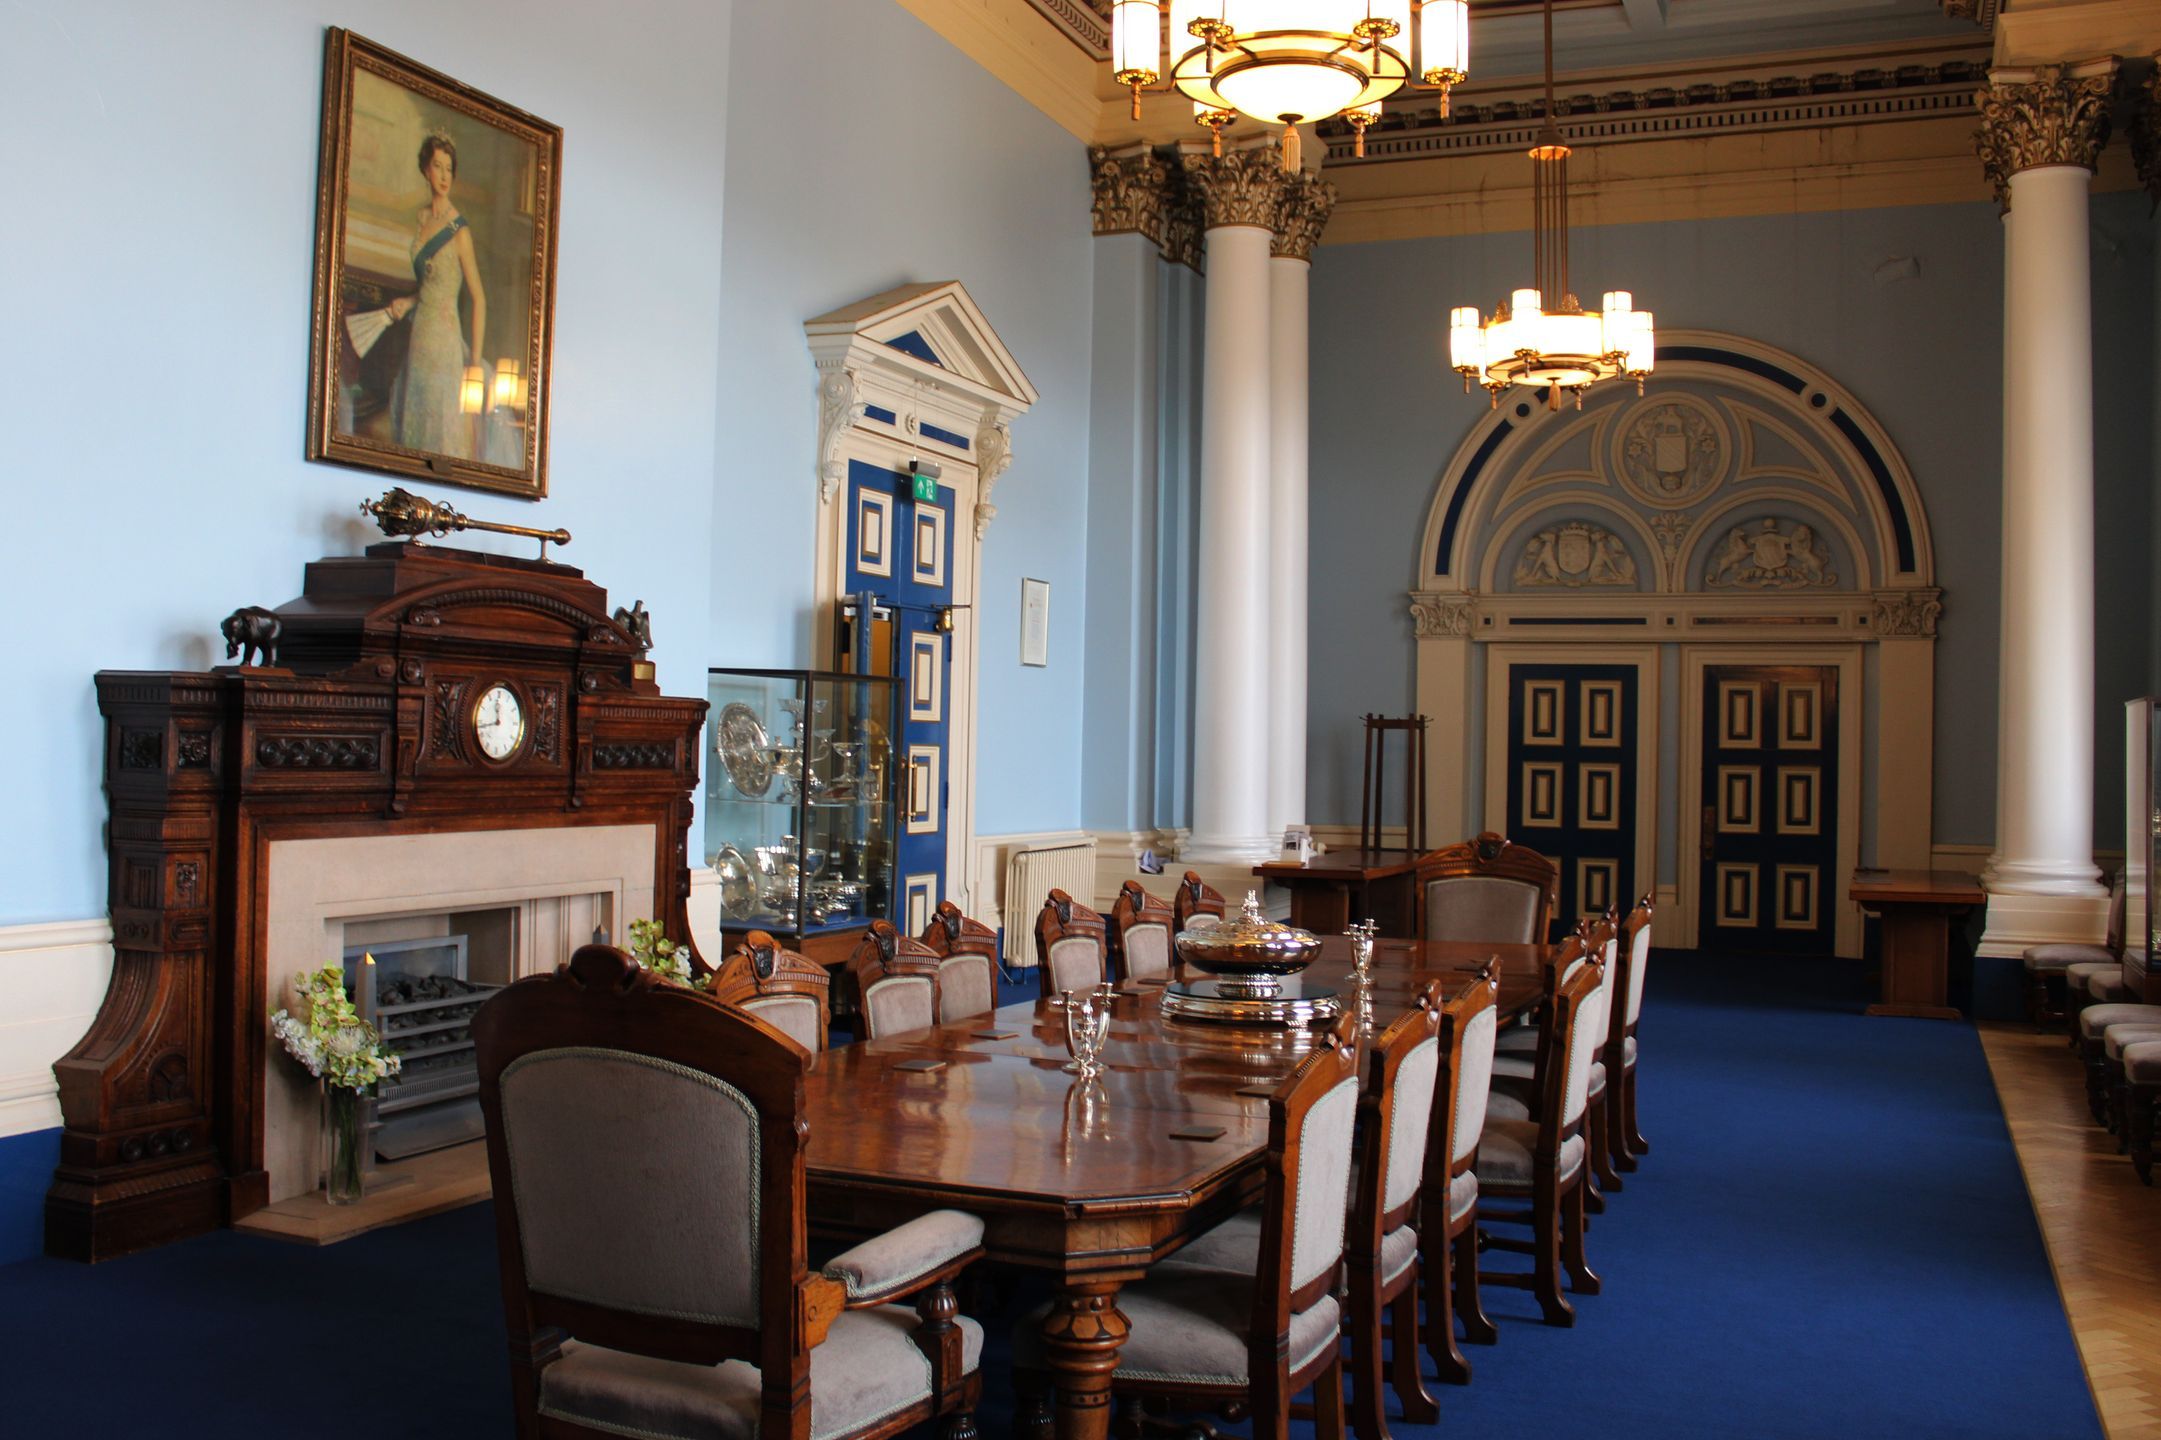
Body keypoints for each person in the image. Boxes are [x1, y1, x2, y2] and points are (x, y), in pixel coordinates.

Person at [384, 133, 486, 459]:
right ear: (426, 170)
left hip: (444, 338)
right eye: (437, 167)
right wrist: (408, 301)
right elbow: (429, 283)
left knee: (442, 424)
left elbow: (479, 299)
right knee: (415, 417)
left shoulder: (459, 230)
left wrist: (474, 365)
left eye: (449, 169)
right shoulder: (421, 218)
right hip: (420, 335)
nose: (444, 176)